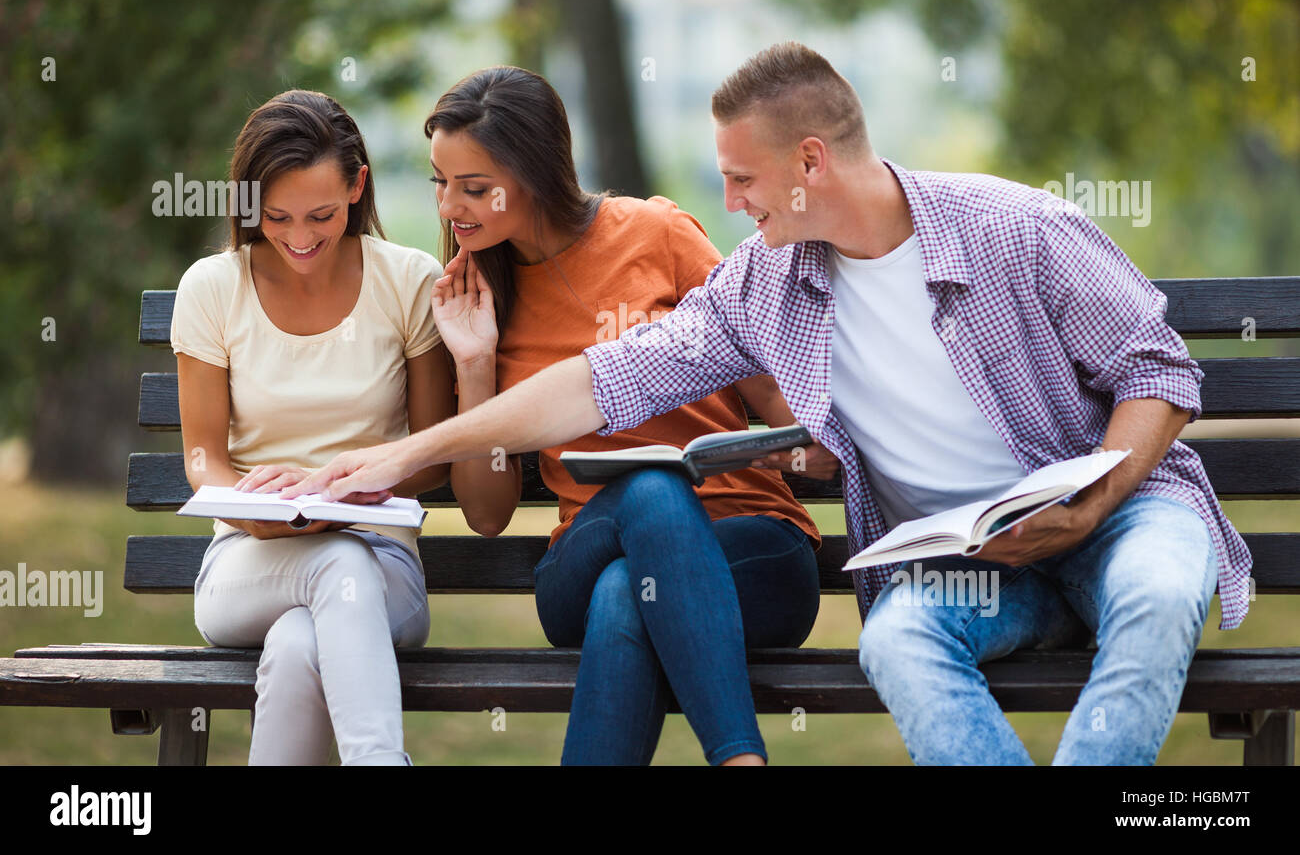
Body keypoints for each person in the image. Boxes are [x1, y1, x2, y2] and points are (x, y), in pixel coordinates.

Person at [284, 43, 1253, 765]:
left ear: (812, 163)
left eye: (742, 177)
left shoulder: (1018, 229)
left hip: (1120, 514)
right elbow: (599, 382)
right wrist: (399, 456)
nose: (728, 197)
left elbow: (1158, 372)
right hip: (971, 561)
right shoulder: (766, 285)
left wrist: (1090, 499)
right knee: (896, 640)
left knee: (1159, 595)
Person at [417, 65, 826, 765]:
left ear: (537, 172)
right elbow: (486, 515)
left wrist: (809, 442)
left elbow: (773, 400)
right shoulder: (476, 297)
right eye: (440, 182)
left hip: (753, 548)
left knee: (627, 595)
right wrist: (476, 363)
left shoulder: (658, 234)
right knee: (648, 492)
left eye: (476, 188)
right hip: (583, 559)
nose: (452, 206)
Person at [172, 89, 454, 765]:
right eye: (277, 217)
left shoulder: (408, 281)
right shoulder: (213, 288)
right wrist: (255, 507)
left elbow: (434, 459)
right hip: (247, 561)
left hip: (383, 566)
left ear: (358, 186)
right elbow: (204, 458)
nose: (300, 237)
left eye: (321, 215)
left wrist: (343, 488)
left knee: (302, 640)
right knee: (331, 565)